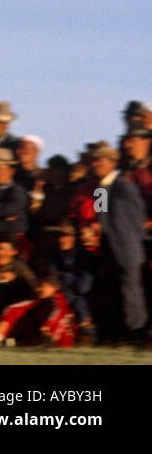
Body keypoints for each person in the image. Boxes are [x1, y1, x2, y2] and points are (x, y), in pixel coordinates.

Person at [88, 142, 148, 342]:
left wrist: (129, 239)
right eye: (94, 160)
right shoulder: (100, 189)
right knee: (112, 293)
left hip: (126, 249)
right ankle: (117, 334)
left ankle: (137, 333)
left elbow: (137, 216)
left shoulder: (124, 186)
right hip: (108, 251)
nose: (96, 164)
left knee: (131, 293)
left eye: (100, 160)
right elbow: (100, 219)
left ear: (112, 163)